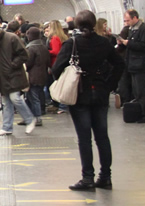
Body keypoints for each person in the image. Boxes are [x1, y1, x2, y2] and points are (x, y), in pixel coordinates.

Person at [51, 10, 125, 190]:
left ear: (76, 24)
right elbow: (120, 64)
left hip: (79, 94)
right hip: (100, 92)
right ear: (93, 23)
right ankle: (105, 177)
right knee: (102, 136)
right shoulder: (104, 42)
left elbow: (56, 68)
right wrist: (109, 84)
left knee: (84, 138)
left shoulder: (72, 43)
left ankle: (87, 178)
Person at [0, 21, 35, 136]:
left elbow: (24, 54)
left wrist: (13, 65)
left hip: (14, 75)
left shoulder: (12, 38)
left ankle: (30, 119)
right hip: (3, 76)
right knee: (6, 102)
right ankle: (7, 127)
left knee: (15, 98)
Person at [117, 9, 145, 123]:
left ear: (135, 18)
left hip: (140, 65)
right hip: (133, 64)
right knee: (137, 92)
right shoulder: (131, 29)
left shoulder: (144, 29)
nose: (126, 23)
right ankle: (140, 113)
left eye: (128, 20)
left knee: (142, 91)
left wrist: (128, 43)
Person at [24, 27, 49, 127]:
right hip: (42, 75)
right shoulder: (43, 46)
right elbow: (48, 62)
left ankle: (37, 118)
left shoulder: (31, 48)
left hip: (33, 76)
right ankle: (28, 118)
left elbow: (28, 63)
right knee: (31, 97)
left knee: (33, 98)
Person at [45, 20, 69, 113]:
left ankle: (61, 106)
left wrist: (46, 52)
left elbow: (55, 51)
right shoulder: (63, 37)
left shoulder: (54, 38)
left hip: (55, 63)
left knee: (57, 85)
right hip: (62, 63)